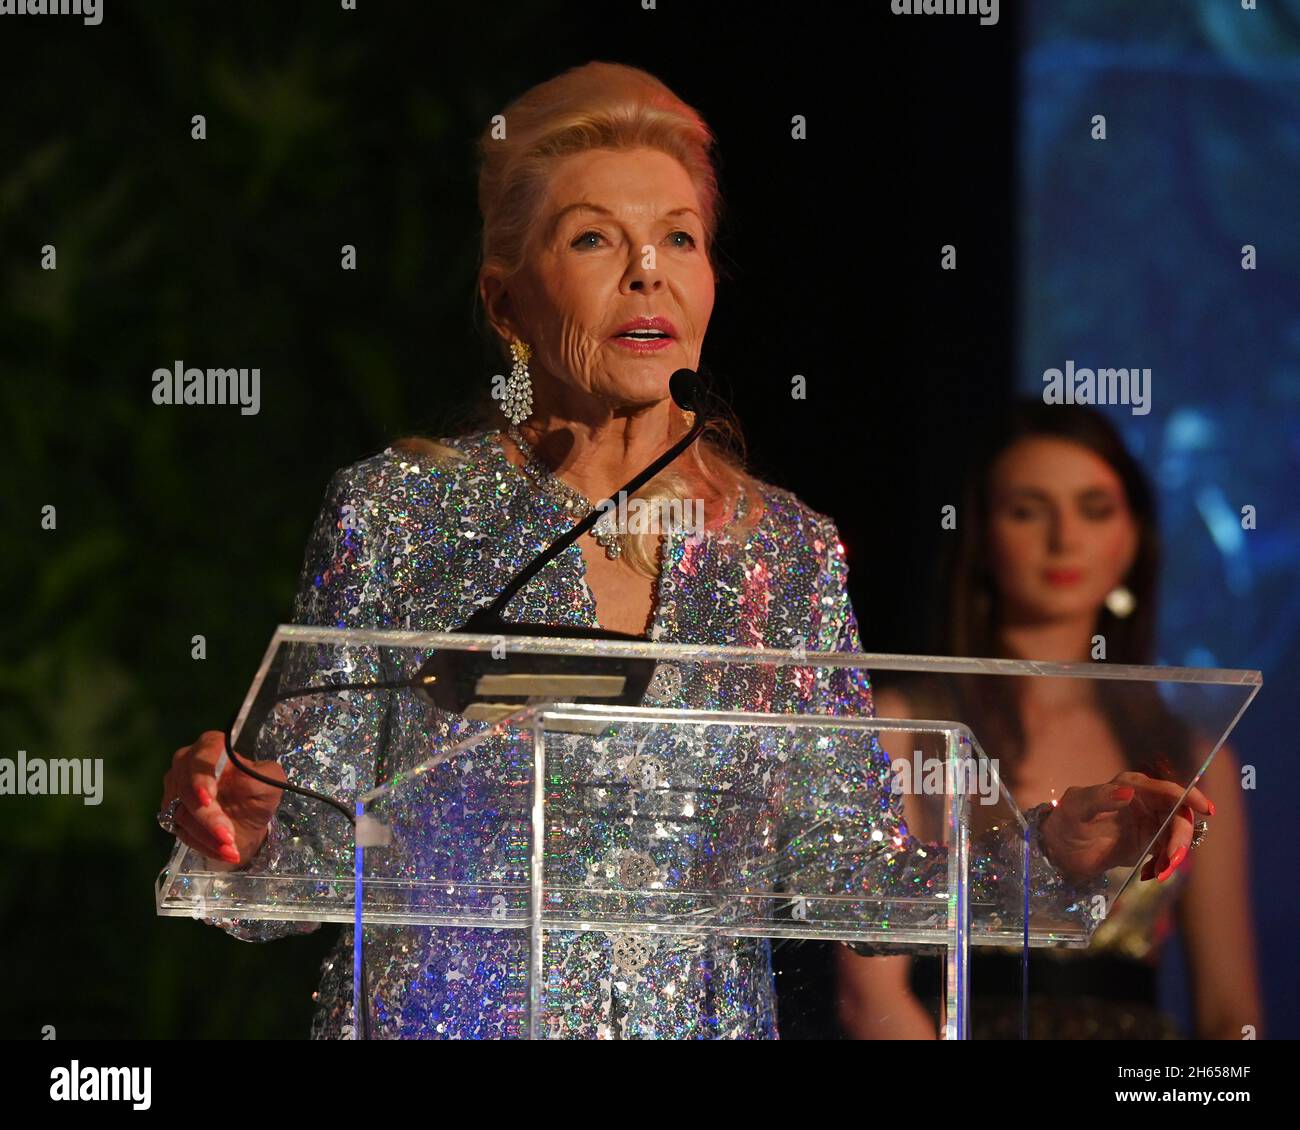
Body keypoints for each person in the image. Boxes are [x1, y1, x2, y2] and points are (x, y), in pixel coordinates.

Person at [156, 63, 1210, 1039]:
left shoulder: (788, 552)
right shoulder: (395, 511)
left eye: (678, 240)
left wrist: (1045, 855)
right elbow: (308, 838)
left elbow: (844, 874)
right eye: (593, 240)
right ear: (505, 300)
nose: (646, 275)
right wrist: (239, 826)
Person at [836, 401, 1261, 1039]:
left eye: (1095, 509)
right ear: (980, 535)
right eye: (1028, 510)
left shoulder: (1197, 754)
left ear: (1133, 536)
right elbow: (870, 999)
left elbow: (1232, 1013)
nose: (1064, 539)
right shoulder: (905, 724)